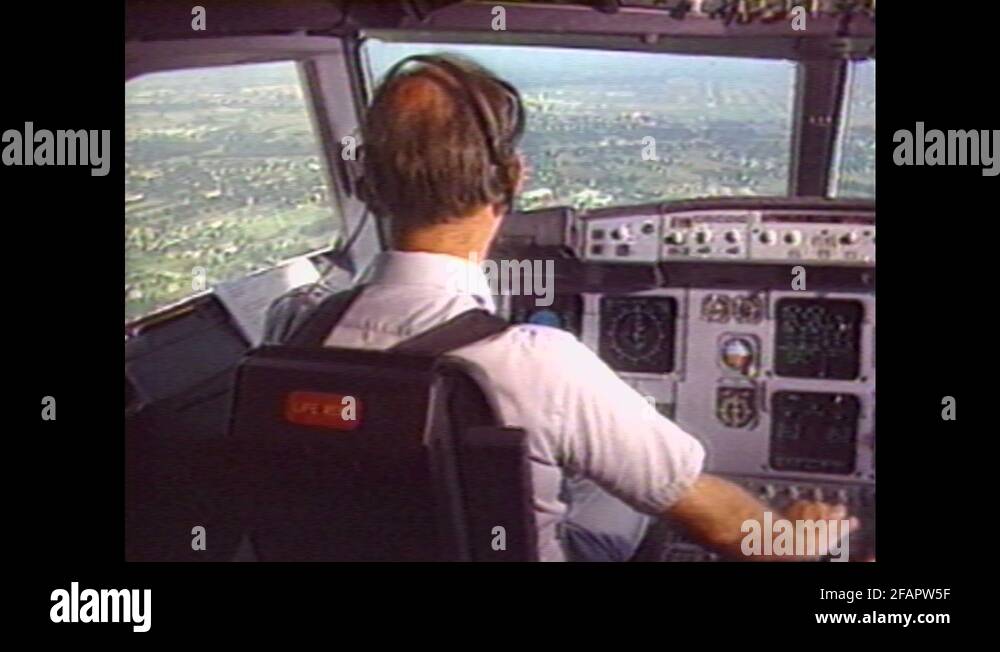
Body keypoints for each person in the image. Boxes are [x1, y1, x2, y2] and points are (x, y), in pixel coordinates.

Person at [265, 53, 857, 562]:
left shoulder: (291, 327)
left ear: (365, 183)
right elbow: (735, 533)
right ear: (511, 178)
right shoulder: (535, 364)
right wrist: (804, 536)